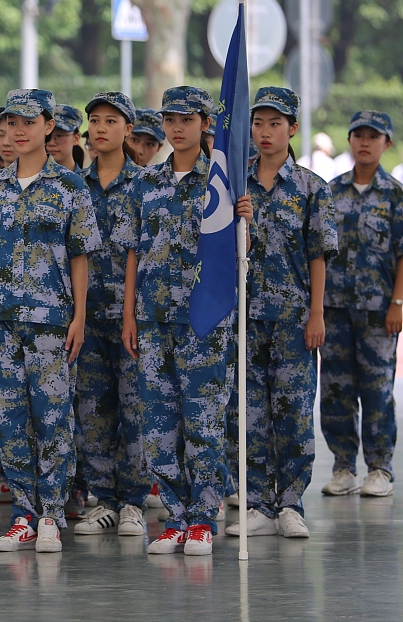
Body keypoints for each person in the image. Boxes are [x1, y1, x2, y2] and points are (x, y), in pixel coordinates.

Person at [0, 89, 99, 554]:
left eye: (28, 122)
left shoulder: (70, 186)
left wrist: (79, 316)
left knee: (53, 418)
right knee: (9, 419)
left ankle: (51, 515)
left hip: (52, 319)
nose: (18, 132)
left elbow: (79, 255)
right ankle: (23, 514)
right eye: (11, 123)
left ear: (48, 126)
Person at [117, 85, 229, 556]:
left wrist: (242, 217)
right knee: (159, 425)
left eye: (187, 119)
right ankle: (175, 517)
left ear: (205, 123)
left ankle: (202, 519)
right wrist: (129, 315)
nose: (177, 128)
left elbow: (236, 253)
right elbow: (132, 253)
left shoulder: (221, 183)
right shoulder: (145, 183)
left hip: (202, 321)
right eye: (170, 119)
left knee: (203, 421)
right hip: (153, 318)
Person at [227, 87, 336, 540]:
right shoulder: (236, 183)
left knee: (293, 413)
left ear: (292, 128)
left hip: (293, 317)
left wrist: (317, 314)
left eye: (275, 123)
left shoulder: (311, 187)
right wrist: (241, 225)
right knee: (248, 414)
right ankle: (256, 503)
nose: (265, 132)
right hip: (246, 318)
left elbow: (317, 255)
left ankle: (290, 503)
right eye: (258, 123)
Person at [70, 92, 147, 537]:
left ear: (128, 130)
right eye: (95, 120)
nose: (100, 128)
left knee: (135, 409)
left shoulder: (146, 185)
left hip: (131, 317)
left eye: (111, 121)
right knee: (92, 411)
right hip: (85, 316)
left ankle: (134, 501)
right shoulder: (73, 186)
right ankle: (104, 499)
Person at [320, 111, 403, 499]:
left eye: (374, 136)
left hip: (377, 311)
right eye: (358, 135)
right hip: (333, 309)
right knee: (335, 390)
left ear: (387, 143)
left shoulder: (395, 195)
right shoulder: (330, 192)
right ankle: (343, 466)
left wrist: (397, 302)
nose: (365, 142)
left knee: (377, 391)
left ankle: (380, 468)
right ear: (350, 140)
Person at [48, 104, 85, 170]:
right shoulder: (30, 175)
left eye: (59, 135)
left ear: (76, 138)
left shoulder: (88, 177)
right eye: (47, 135)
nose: (51, 143)